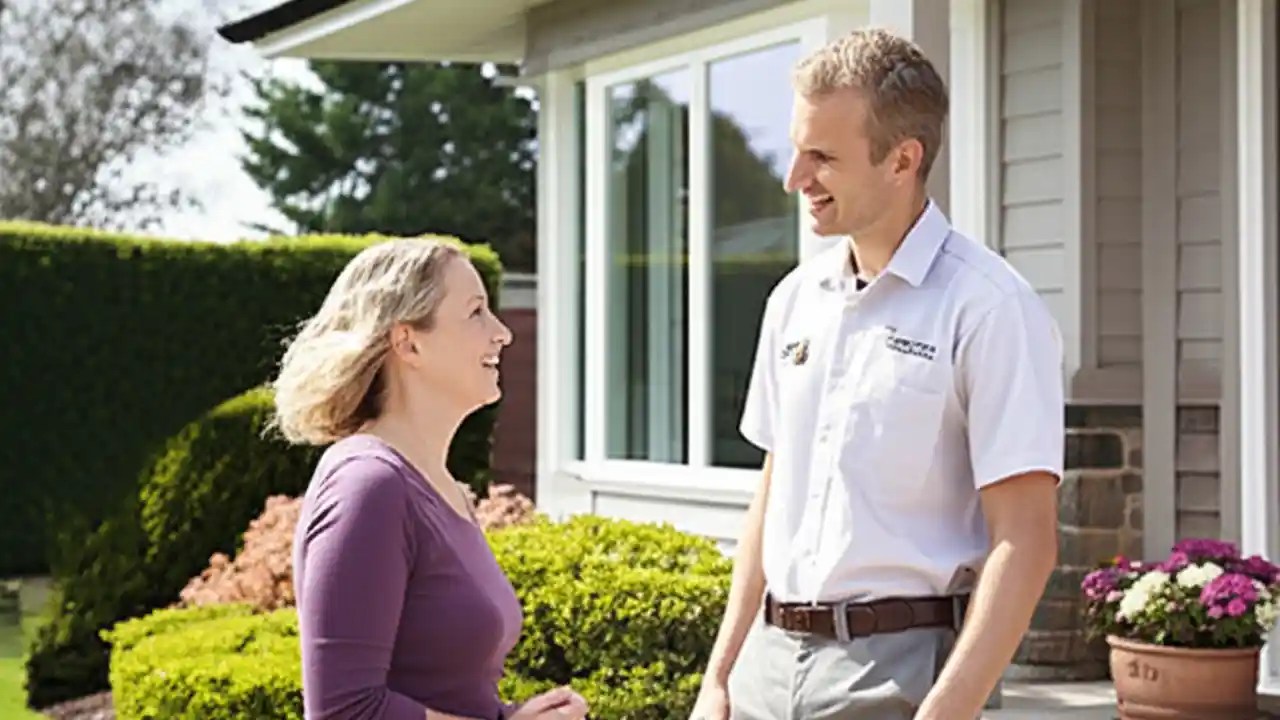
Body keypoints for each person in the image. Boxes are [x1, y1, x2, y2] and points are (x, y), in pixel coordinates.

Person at [689, 27, 1064, 720]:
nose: (793, 178)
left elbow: (1026, 539)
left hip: (901, 674)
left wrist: (946, 710)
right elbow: (772, 497)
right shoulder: (794, 300)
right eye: (796, 149)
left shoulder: (989, 308)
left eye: (822, 157)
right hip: (766, 670)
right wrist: (720, 678)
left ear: (902, 160)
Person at [270, 238, 589, 720]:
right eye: (476, 312)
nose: (501, 333)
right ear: (408, 342)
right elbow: (345, 712)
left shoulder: (440, 487)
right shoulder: (368, 486)